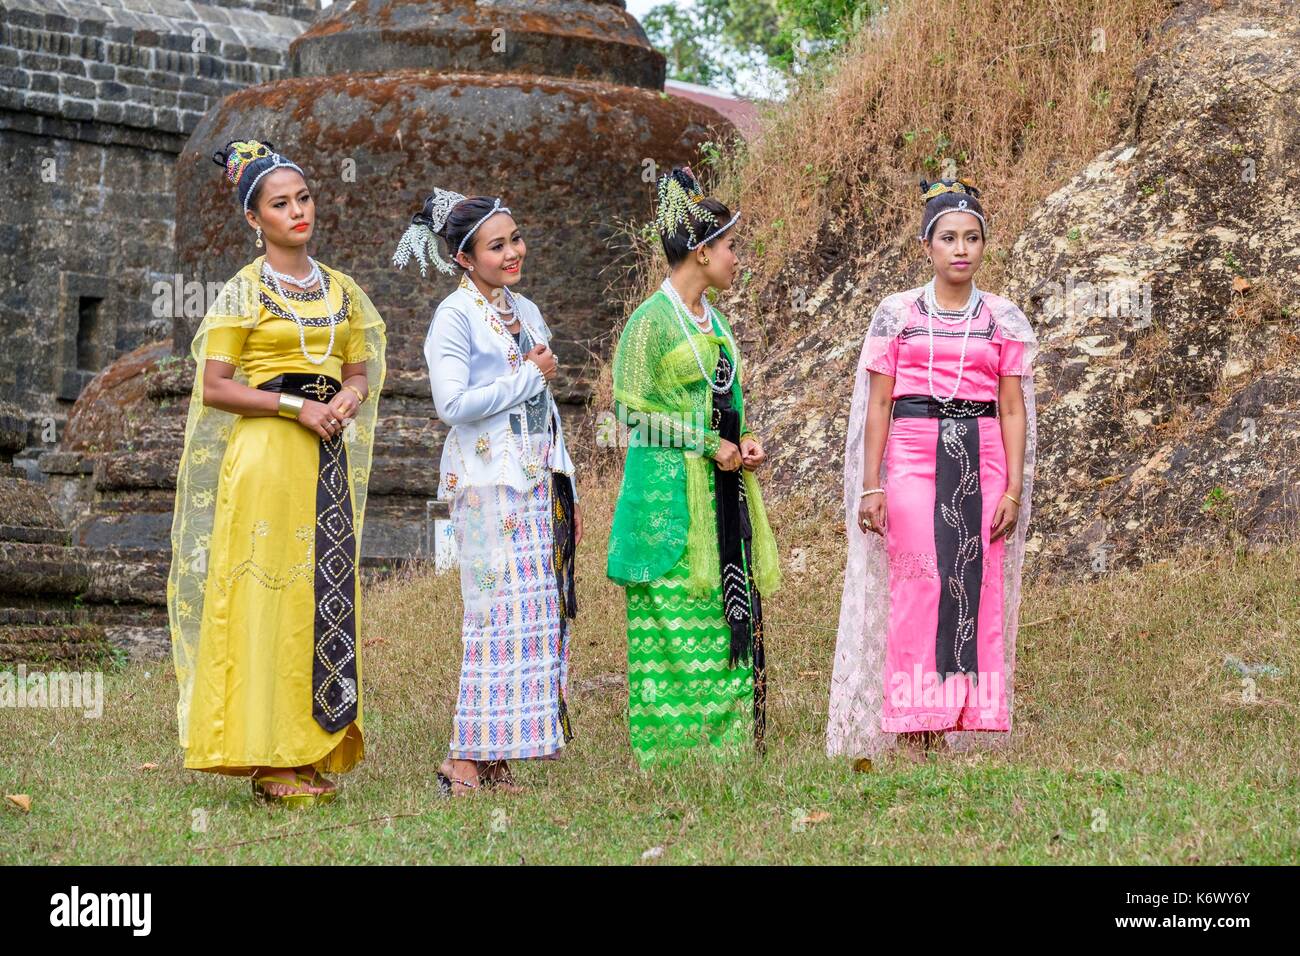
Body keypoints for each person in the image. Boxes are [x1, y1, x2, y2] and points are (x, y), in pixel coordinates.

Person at [168, 139, 387, 806]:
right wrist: (297, 406)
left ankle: (310, 746)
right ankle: (268, 760)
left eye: (304, 198)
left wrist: (349, 396)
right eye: (280, 203)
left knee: (318, 598)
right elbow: (215, 386)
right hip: (266, 459)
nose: (298, 211)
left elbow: (359, 365)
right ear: (253, 218)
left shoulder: (342, 291)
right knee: (268, 598)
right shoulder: (243, 290)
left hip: (324, 463)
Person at [827, 178, 1037, 763]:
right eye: (949, 238)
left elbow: (1013, 406)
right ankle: (917, 720)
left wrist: (1015, 489)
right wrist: (871, 484)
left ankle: (962, 716)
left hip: (983, 456)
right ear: (928, 245)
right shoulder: (896, 314)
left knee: (975, 582)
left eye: (972, 238)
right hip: (915, 457)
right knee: (921, 580)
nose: (961, 249)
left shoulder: (1003, 318)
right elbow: (878, 403)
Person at [395, 188, 581, 796]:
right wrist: (529, 375)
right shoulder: (454, 318)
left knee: (532, 620)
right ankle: (463, 759)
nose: (512, 252)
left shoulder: (524, 310)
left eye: (515, 239)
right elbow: (453, 404)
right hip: (482, 488)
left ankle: (497, 754)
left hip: (534, 479)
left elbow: (545, 407)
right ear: (463, 258)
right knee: (490, 617)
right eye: (497, 245)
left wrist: (565, 478)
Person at [606, 167, 781, 766]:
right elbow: (628, 412)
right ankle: (672, 753)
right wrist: (706, 444)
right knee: (672, 620)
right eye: (732, 246)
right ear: (701, 251)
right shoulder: (649, 323)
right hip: (669, 496)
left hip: (721, 497)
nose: (738, 257)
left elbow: (730, 402)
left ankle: (728, 748)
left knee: (719, 613)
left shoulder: (716, 320)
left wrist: (746, 438)